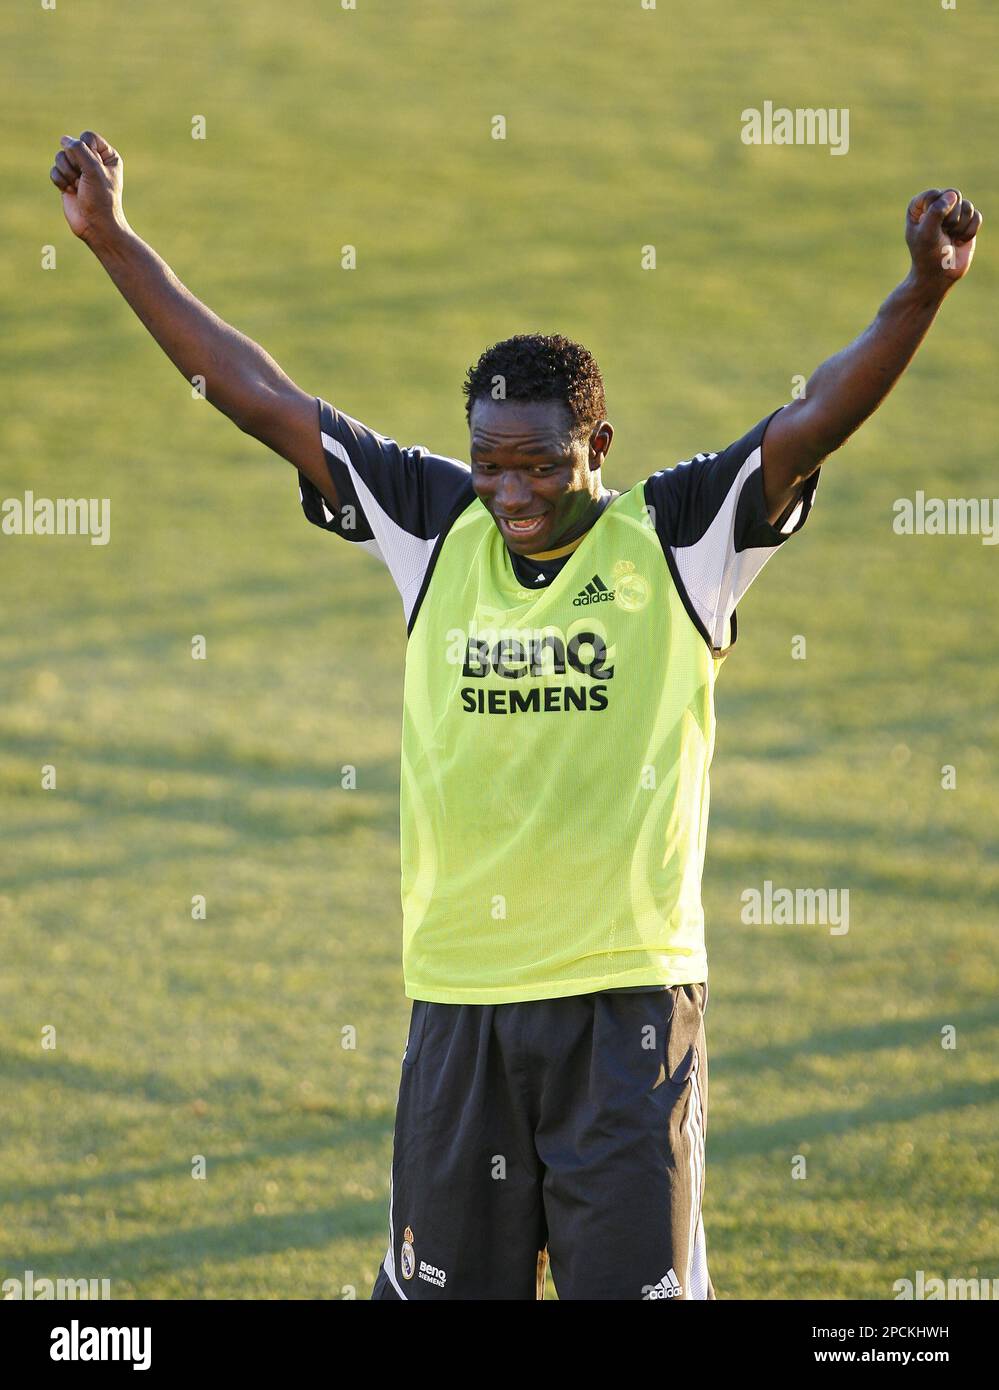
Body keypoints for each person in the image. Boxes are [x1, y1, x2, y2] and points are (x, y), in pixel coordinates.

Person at [50, 130, 982, 1300]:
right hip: (460, 1005)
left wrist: (922, 289)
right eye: (490, 467)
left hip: (628, 1012)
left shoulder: (682, 537)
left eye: (540, 467)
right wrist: (112, 239)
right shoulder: (436, 528)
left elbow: (812, 422)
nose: (512, 495)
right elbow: (259, 396)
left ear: (598, 445)